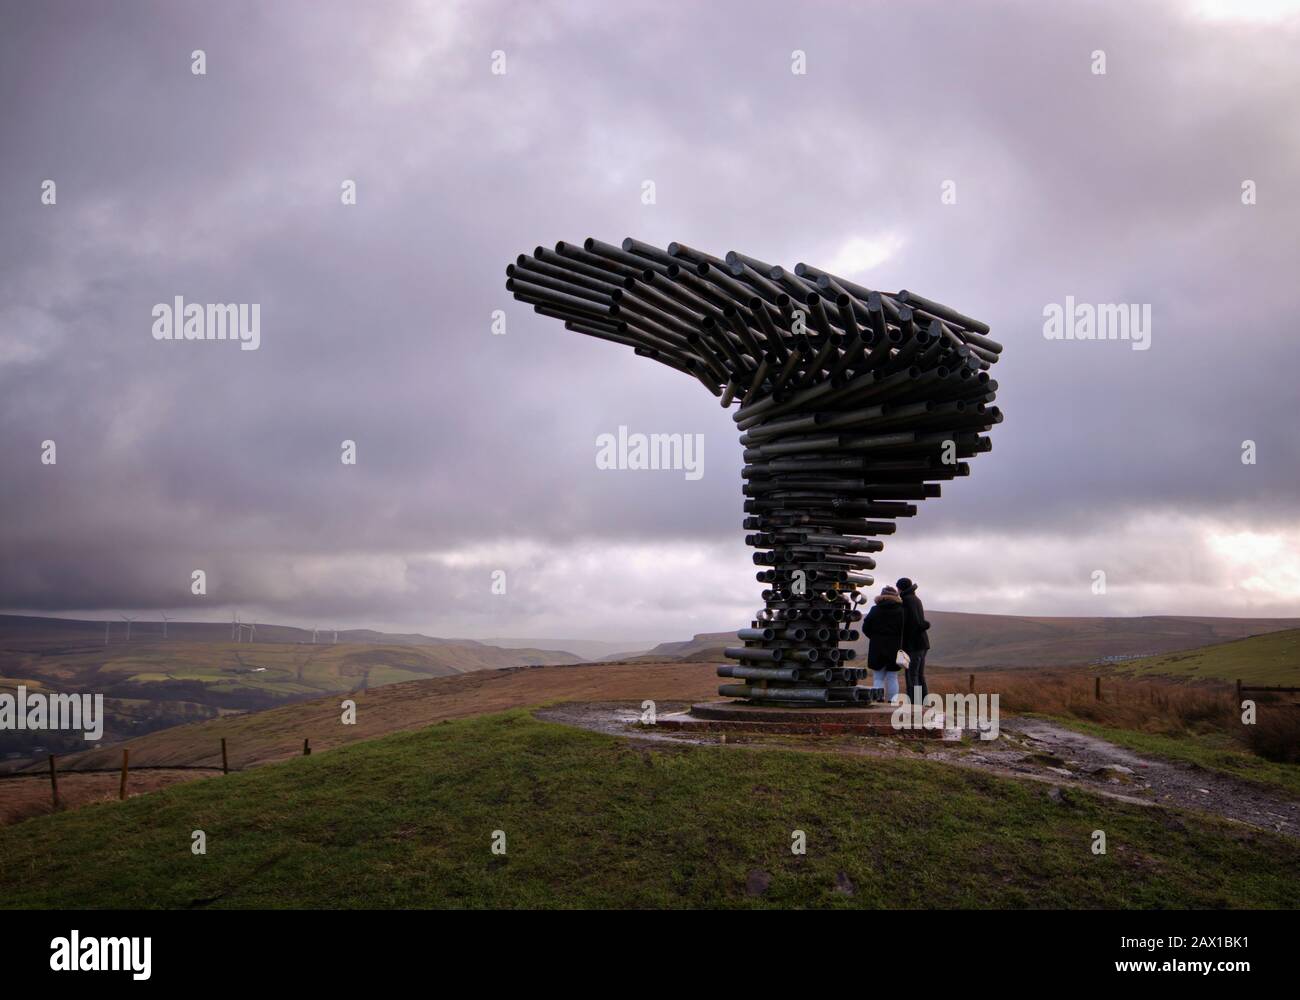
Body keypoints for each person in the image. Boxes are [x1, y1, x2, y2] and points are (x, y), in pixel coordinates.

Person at [861, 584, 905, 703]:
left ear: (882, 596)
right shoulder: (901, 610)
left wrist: (874, 637)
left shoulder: (875, 609)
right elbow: (905, 629)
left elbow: (865, 627)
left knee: (878, 677)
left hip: (877, 647)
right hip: (895, 647)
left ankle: (878, 699)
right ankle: (892, 701)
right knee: (892, 677)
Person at [897, 577, 931, 703]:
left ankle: (914, 703)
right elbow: (919, 622)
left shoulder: (906, 601)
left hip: (913, 645)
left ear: (900, 588)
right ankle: (925, 702)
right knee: (920, 675)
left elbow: (914, 623)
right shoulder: (916, 599)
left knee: (912, 675)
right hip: (922, 642)